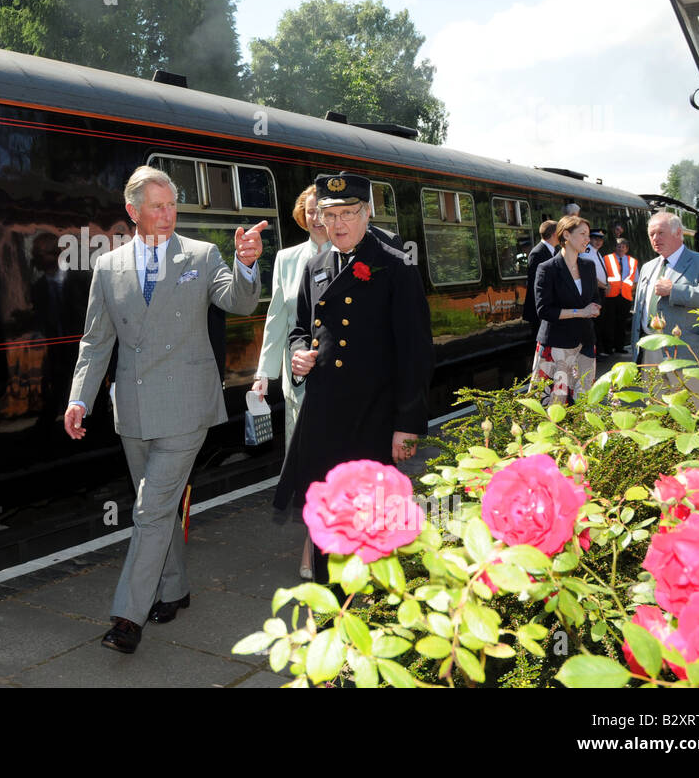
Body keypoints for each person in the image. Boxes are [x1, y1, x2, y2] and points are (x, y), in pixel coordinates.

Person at [64, 166, 266, 654]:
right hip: (132, 408)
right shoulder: (109, 268)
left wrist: (247, 264)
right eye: (158, 206)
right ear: (132, 212)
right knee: (158, 507)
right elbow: (96, 341)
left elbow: (238, 301)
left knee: (149, 509)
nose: (168, 214)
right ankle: (174, 588)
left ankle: (127, 619)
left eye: (173, 204)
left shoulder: (201, 254)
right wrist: (79, 397)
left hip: (186, 406)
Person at [274, 172, 433, 584]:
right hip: (325, 416)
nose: (339, 223)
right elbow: (298, 329)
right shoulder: (316, 266)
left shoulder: (395, 266)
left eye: (348, 213)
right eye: (330, 214)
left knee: (371, 518)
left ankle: (374, 609)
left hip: (374, 418)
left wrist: (406, 426)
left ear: (367, 214)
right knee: (328, 517)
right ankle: (331, 607)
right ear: (320, 219)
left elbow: (415, 352)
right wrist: (297, 355)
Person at [251, 183, 328, 580]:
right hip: (297, 383)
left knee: (336, 463)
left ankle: (316, 549)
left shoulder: (350, 254)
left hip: (339, 377)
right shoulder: (286, 259)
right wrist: (264, 373)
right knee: (306, 464)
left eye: (322, 210)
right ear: (303, 215)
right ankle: (315, 544)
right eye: (310, 210)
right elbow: (277, 318)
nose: (316, 217)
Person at [630, 212, 699, 396]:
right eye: (651, 234)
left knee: (692, 412)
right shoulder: (648, 266)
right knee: (655, 413)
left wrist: (674, 290)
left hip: (688, 353)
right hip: (650, 352)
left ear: (678, 233)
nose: (655, 238)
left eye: (661, 233)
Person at [531, 215, 604, 405]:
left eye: (588, 234)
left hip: (585, 344)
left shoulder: (588, 266)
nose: (587, 239)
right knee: (553, 405)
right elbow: (544, 310)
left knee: (584, 403)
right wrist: (582, 312)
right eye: (583, 234)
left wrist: (595, 308)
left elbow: (595, 298)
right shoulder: (547, 268)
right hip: (556, 347)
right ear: (566, 235)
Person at [600, 237, 638, 354]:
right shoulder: (606, 258)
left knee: (621, 323)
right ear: (615, 247)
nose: (620, 248)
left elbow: (636, 280)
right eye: (618, 246)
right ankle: (608, 347)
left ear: (627, 249)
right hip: (610, 295)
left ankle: (619, 347)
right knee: (609, 322)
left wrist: (629, 290)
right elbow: (602, 275)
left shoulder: (632, 261)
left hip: (625, 296)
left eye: (623, 246)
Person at [524, 220, 559, 333]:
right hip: (541, 310)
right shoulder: (537, 253)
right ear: (554, 234)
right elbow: (536, 285)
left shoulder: (556, 251)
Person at [581, 228, 608, 352]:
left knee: (600, 322)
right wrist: (604, 285)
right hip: (594, 291)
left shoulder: (596, 252)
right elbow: (589, 275)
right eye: (595, 239)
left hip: (600, 290)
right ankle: (595, 351)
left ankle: (600, 349)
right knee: (595, 323)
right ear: (590, 239)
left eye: (600, 239)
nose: (598, 242)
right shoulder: (587, 252)